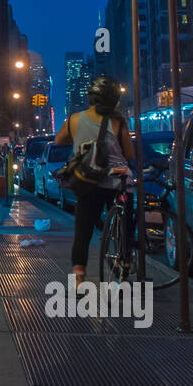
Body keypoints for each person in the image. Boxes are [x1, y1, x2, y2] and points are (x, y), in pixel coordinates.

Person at [55, 75, 134, 281]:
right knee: (126, 223)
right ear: (114, 100)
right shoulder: (118, 121)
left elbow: (59, 139)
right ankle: (124, 262)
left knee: (83, 231)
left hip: (88, 182)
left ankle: (79, 280)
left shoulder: (74, 119)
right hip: (117, 182)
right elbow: (130, 154)